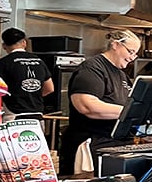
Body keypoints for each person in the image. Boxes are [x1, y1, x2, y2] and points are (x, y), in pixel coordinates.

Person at [58, 29, 141, 174]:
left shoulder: (122, 75)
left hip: (114, 145)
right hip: (91, 145)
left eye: (135, 54)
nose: (132, 58)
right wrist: (132, 112)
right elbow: (87, 106)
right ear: (115, 45)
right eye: (130, 52)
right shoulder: (92, 68)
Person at [0, 28, 54, 119]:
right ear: (24, 43)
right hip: (37, 115)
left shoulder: (3, 63)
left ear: (4, 46)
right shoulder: (39, 61)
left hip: (14, 115)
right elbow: (50, 88)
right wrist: (33, 95)